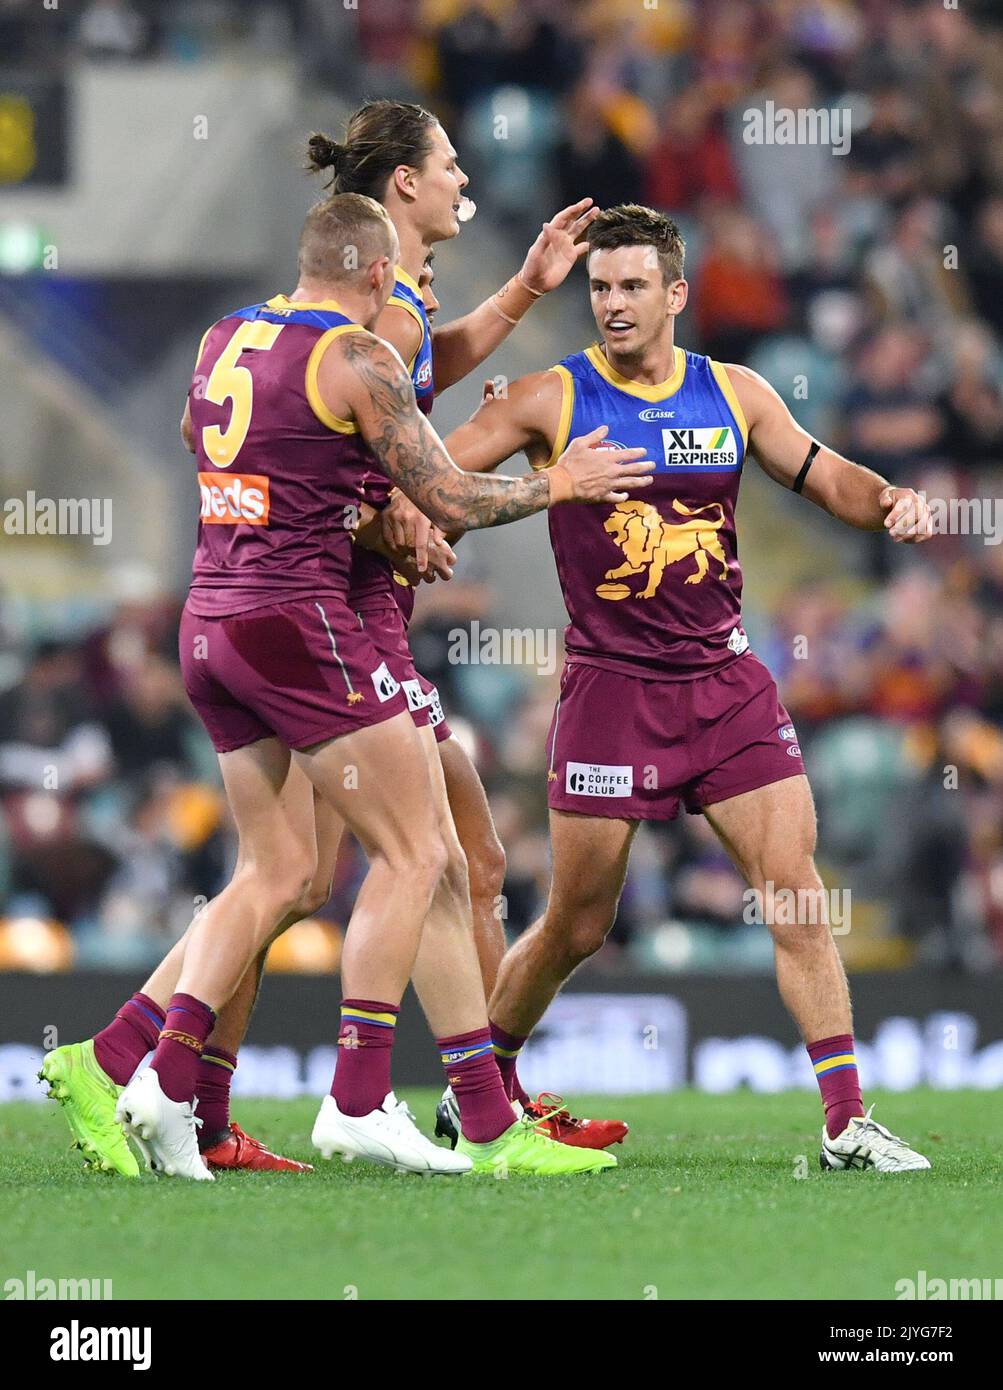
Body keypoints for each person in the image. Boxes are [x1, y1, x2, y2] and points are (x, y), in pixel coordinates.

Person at [42, 192, 652, 1181]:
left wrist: (312, 494)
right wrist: (560, 482)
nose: (413, 300)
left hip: (208, 623)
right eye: (408, 283)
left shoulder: (226, 335)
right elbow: (450, 495)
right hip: (298, 624)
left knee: (278, 871)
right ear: (378, 273)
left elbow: (202, 438)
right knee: (418, 853)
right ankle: (362, 1097)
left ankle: (135, 1068)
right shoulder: (359, 357)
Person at [432, 203, 934, 1173]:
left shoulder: (734, 393)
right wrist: (530, 492)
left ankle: (844, 1123)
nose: (612, 304)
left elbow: (824, 475)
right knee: (578, 923)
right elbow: (437, 483)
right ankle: (478, 1087)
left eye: (631, 286)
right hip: (611, 693)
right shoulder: (547, 398)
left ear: (674, 294)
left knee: (795, 895)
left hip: (724, 684)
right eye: (599, 288)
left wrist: (890, 501)